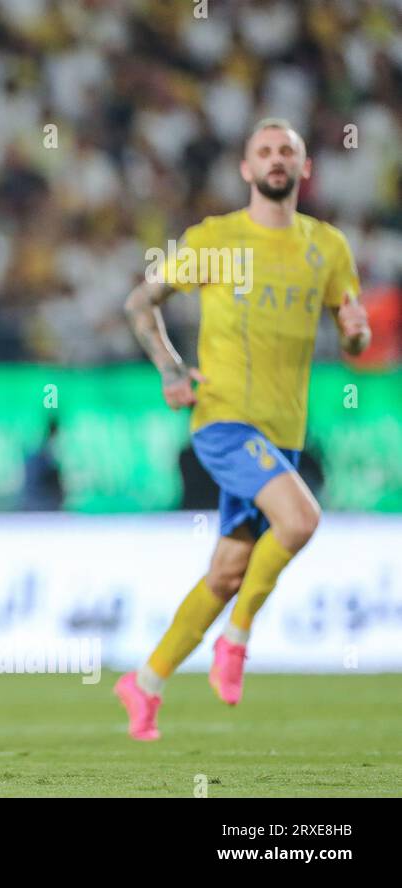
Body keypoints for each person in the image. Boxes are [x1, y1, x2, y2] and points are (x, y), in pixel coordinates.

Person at [117, 119, 371, 740]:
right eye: (264, 150)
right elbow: (140, 302)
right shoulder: (217, 239)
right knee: (302, 519)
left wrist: (358, 332)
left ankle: (145, 681)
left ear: (304, 168)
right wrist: (172, 368)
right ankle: (237, 640)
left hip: (283, 433)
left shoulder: (328, 247)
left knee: (228, 572)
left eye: (288, 151)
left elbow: (353, 335)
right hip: (224, 420)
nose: (276, 159)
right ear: (246, 168)